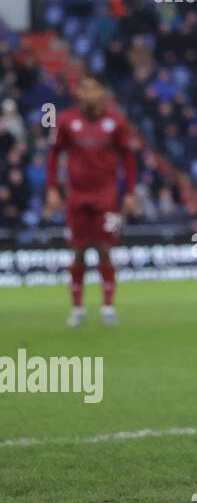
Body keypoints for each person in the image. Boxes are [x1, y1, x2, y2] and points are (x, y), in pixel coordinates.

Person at [44, 74, 138, 327]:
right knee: (78, 251)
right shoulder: (66, 120)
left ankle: (108, 306)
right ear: (78, 93)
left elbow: (128, 158)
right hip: (77, 196)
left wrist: (129, 192)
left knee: (105, 249)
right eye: (83, 89)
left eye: (93, 89)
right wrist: (52, 188)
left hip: (107, 197)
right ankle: (77, 308)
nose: (87, 94)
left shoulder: (116, 122)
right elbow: (53, 154)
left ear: (102, 93)